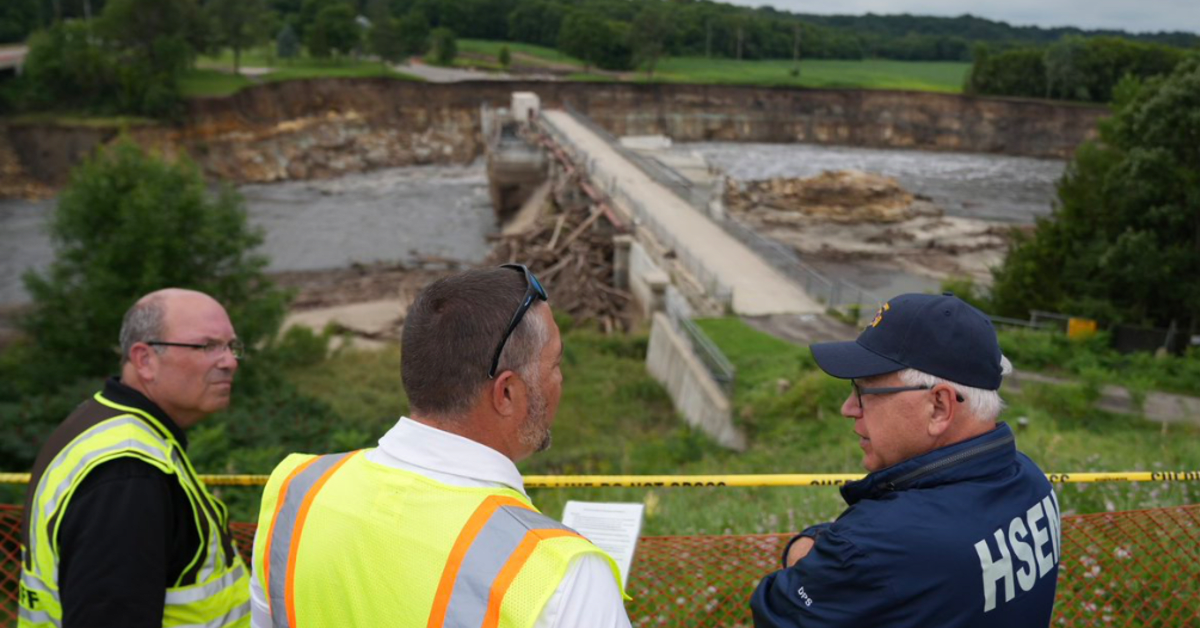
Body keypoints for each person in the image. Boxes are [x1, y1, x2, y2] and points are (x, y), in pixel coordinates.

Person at [249, 264, 630, 628]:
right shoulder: (561, 575)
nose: (561, 381)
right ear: (507, 393)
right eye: (556, 365)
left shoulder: (297, 490)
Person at [752, 292, 1060, 628]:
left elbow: (776, 609)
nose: (848, 409)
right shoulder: (1031, 481)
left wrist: (803, 548)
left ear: (939, 407)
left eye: (863, 391)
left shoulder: (874, 547)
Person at [19, 289, 251, 628]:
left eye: (232, 346)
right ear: (144, 360)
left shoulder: (103, 423)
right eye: (207, 346)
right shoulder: (128, 473)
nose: (229, 361)